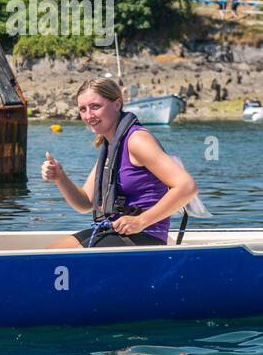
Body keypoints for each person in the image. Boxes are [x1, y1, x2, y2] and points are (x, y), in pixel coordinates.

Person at [41, 78, 197, 248]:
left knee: (69, 256)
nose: (88, 115)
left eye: (95, 107)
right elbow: (85, 203)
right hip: (114, 231)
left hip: (144, 236)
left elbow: (187, 187)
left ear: (117, 104)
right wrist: (60, 177)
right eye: (83, 109)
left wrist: (140, 221)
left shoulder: (137, 140)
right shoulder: (111, 146)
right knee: (52, 252)